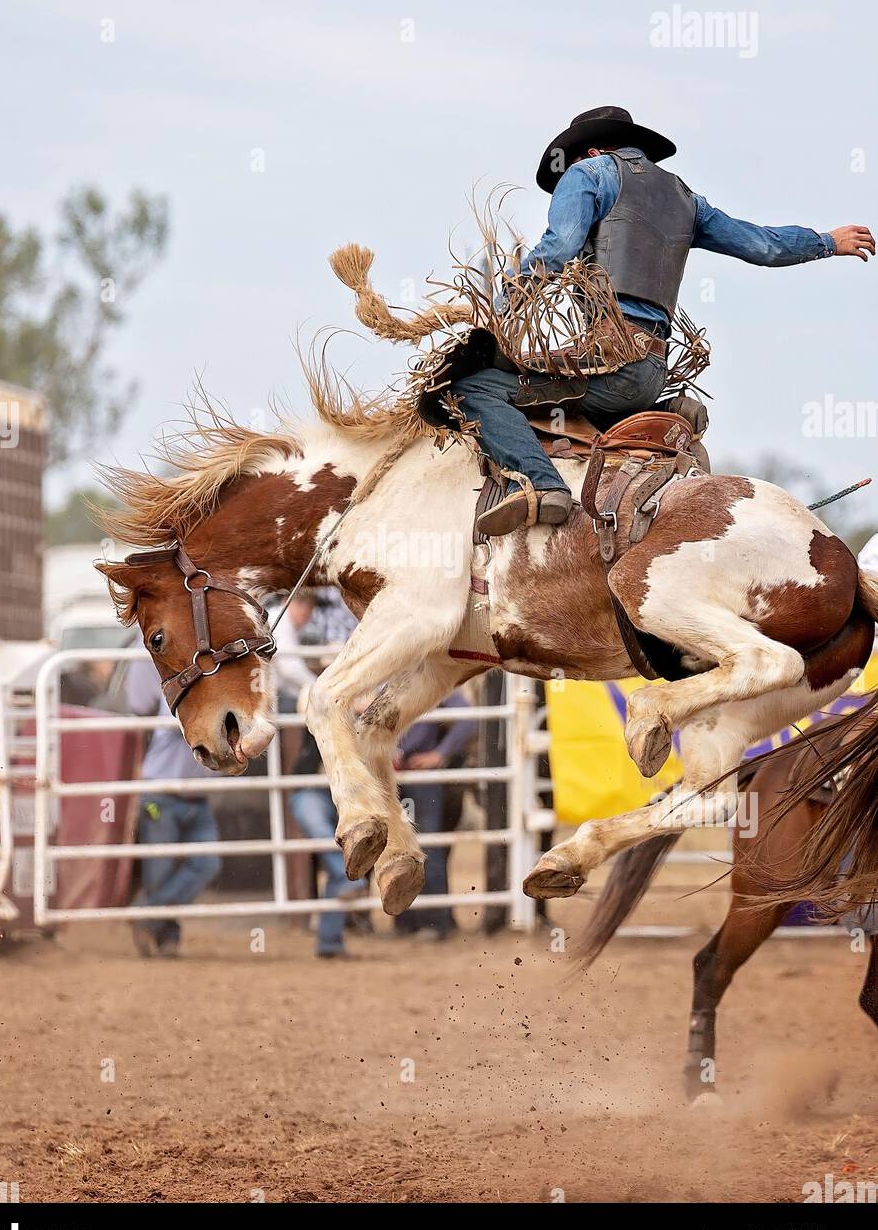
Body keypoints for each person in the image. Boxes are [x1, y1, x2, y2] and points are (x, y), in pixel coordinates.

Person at [453, 104, 874, 537]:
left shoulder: (588, 173)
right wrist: (826, 242)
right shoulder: (686, 199)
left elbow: (558, 251)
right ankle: (663, 408)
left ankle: (545, 488)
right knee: (579, 395)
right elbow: (762, 246)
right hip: (652, 368)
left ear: (591, 150)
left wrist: (499, 307)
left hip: (608, 364)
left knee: (472, 387)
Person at [273, 588, 368, 958]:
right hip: (312, 789)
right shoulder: (311, 697)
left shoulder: (335, 695)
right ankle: (334, 927)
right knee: (335, 854)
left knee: (341, 855)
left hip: (339, 791)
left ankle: (330, 941)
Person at [126, 655, 222, 957]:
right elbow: (193, 726)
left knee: (206, 863)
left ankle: (147, 915)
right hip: (161, 796)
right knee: (160, 871)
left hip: (193, 797)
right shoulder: (178, 701)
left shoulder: (206, 701)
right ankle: (167, 939)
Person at [393, 690, 478, 941]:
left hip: (418, 774)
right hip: (392, 774)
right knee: (401, 847)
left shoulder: (426, 674)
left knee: (426, 845)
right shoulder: (379, 676)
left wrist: (439, 754)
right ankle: (409, 919)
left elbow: (467, 716)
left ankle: (434, 920)